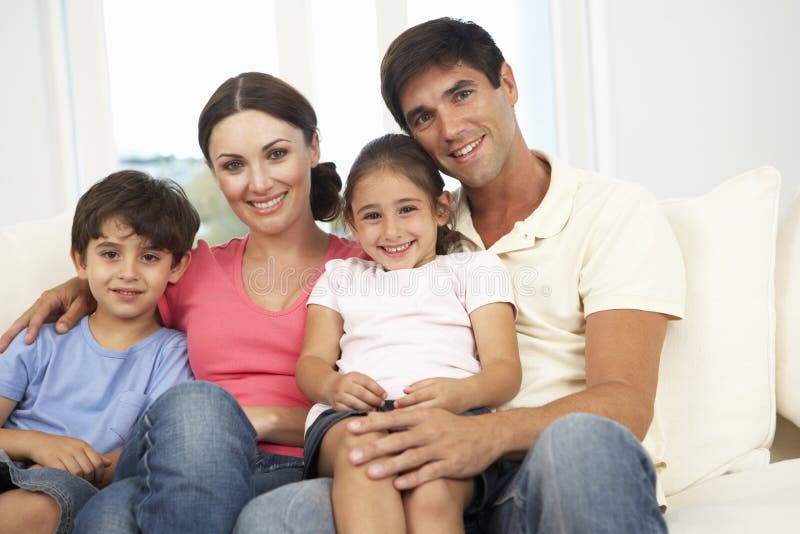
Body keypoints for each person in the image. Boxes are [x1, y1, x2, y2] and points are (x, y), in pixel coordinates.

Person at [233, 17, 686, 534]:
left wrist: (484, 437)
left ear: (508, 85)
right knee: (276, 516)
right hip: (415, 454)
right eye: (423, 117)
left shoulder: (613, 212)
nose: (449, 129)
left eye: (463, 94)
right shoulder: (415, 235)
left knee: (581, 443)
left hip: (541, 471)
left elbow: (624, 403)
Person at [0, 72, 364, 533]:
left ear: (312, 149)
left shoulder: (370, 272)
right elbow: (125, 285)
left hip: (300, 464)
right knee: (189, 413)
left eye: (276, 154)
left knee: (116, 513)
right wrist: (72, 289)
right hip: (174, 463)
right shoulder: (193, 271)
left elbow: (382, 400)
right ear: (215, 175)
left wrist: (261, 419)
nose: (258, 182)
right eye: (233, 165)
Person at [297, 133, 520, 533]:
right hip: (352, 420)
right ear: (352, 222)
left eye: (407, 210)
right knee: (364, 456)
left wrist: (461, 393)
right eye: (372, 216)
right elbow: (311, 363)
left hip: (452, 415)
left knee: (431, 490)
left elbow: (504, 371)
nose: (391, 231)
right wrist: (332, 386)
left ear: (439, 209)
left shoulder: (475, 270)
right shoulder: (339, 277)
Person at [0, 170, 196, 534]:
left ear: (177, 266)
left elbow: (153, 455)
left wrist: (75, 464)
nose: (128, 272)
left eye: (149, 257)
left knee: (44, 504)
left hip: (71, 484)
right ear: (80, 261)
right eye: (110, 254)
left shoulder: (171, 355)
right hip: (9, 461)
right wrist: (37, 443)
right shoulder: (39, 340)